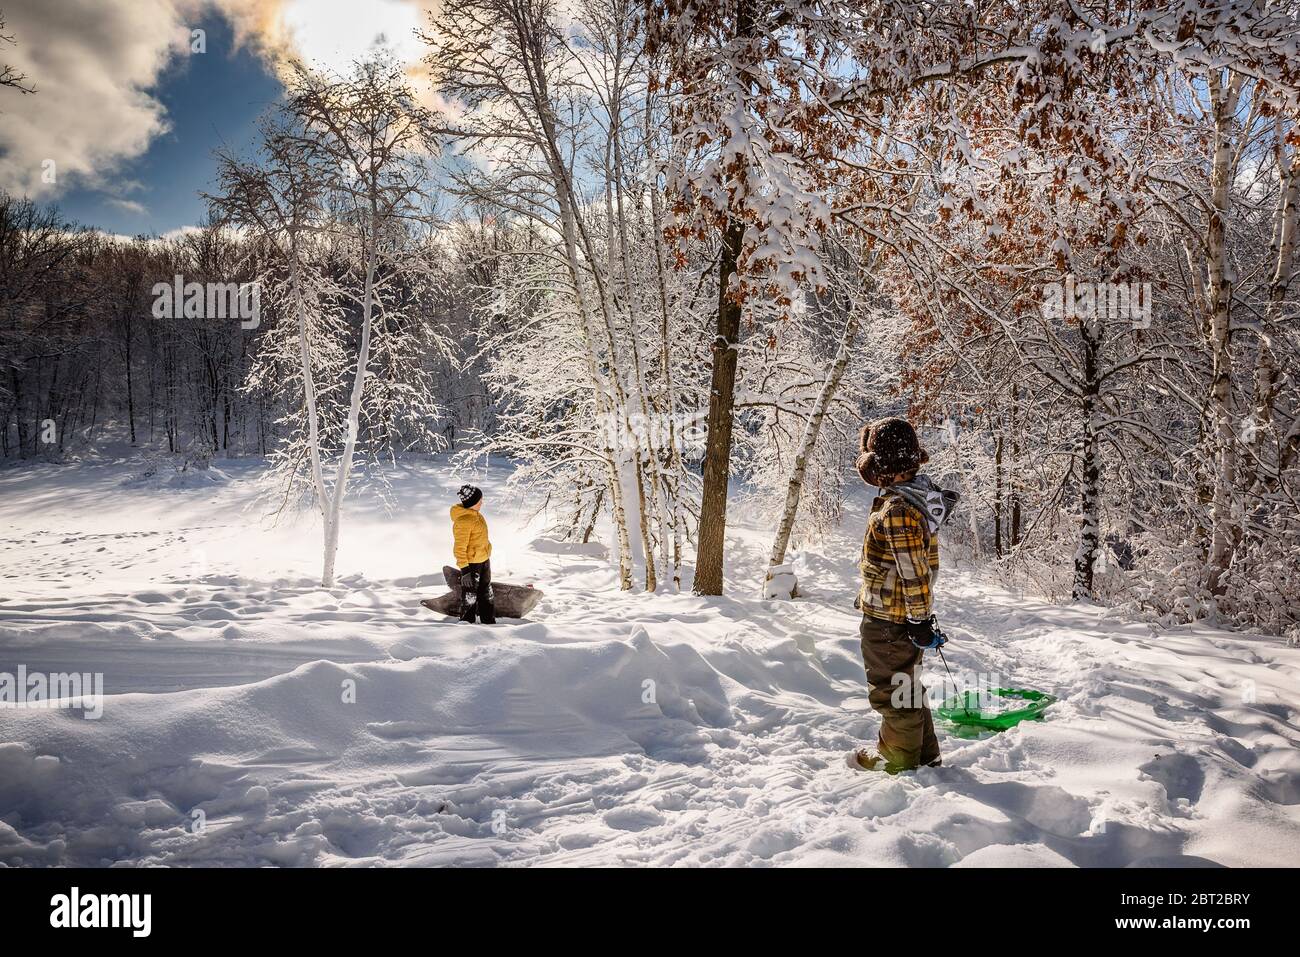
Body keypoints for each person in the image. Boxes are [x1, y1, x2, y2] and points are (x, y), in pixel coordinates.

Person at [849, 417, 958, 773]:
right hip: (896, 613)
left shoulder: (898, 509)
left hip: (889, 620)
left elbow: (913, 572)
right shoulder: (916, 498)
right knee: (906, 685)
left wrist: (919, 619)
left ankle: (896, 760)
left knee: (891, 690)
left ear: (885, 466)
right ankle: (925, 754)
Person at [451, 484, 495, 624]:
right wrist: (465, 570)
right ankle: (467, 622)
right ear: (471, 503)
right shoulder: (464, 521)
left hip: (484, 559)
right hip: (471, 564)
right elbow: (459, 547)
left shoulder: (476, 514)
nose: (482, 502)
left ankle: (488, 620)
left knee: (486, 592)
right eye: (479, 500)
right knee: (470, 595)